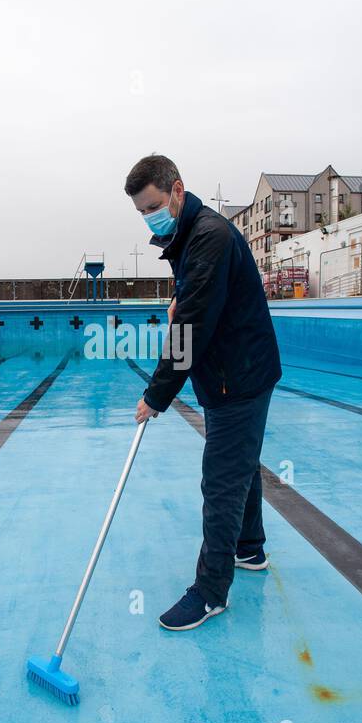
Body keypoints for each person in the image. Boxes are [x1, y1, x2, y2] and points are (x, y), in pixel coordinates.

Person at [125, 154, 282, 631]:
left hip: (239, 379)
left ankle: (212, 593)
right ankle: (249, 549)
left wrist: (156, 396)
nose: (149, 216)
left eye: (153, 205)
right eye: (140, 212)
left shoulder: (208, 235)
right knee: (240, 466)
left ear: (177, 190)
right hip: (227, 375)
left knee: (221, 481)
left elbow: (190, 329)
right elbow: (202, 295)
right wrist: (184, 295)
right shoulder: (190, 234)